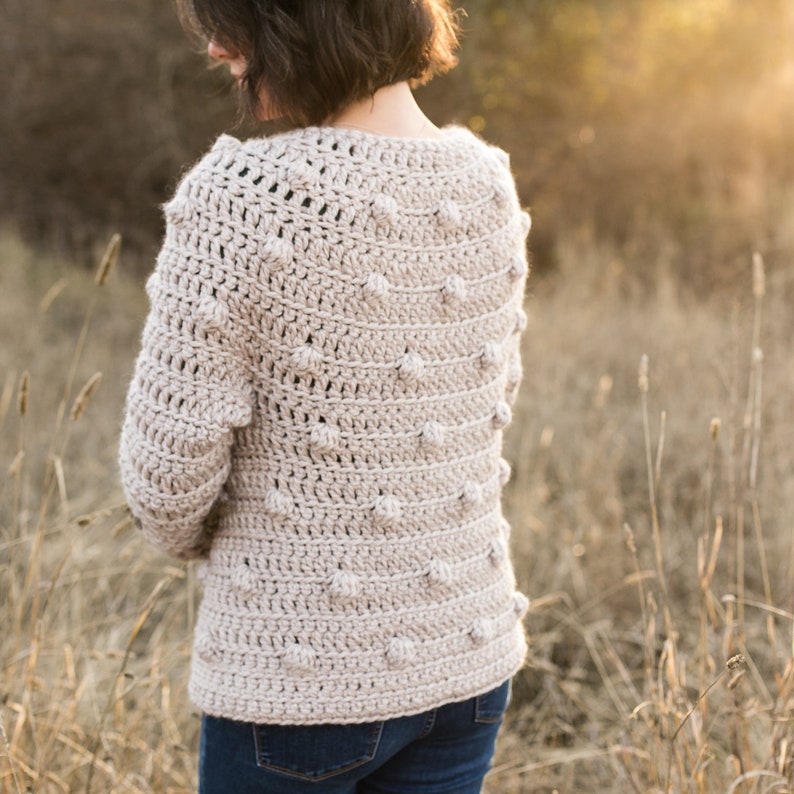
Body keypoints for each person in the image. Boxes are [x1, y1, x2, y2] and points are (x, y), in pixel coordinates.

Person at [119, 1, 531, 791]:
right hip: (466, 658)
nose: (214, 47)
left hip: (300, 673)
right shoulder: (488, 182)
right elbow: (474, 419)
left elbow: (166, 485)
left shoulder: (237, 197)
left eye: (232, 21)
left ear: (301, 20)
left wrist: (254, 546)